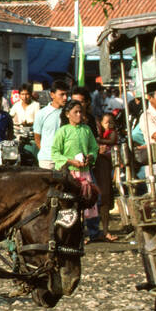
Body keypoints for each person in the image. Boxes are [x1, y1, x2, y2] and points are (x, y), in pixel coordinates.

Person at [52, 99, 111, 242]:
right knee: (72, 204)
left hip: (85, 172)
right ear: (67, 114)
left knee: (89, 201)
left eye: (80, 112)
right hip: (69, 173)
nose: (79, 115)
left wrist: (90, 157)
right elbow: (55, 152)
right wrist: (71, 161)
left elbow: (93, 148)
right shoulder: (63, 131)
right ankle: (75, 234)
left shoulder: (86, 130)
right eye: (75, 112)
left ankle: (93, 232)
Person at [33, 78, 71, 170]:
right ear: (52, 95)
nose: (65, 98)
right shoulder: (42, 113)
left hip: (66, 159)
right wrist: (46, 153)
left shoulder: (70, 113)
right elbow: (37, 137)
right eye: (62, 94)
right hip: (47, 160)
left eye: (66, 94)